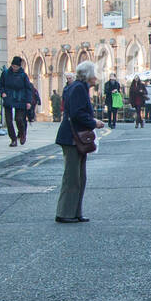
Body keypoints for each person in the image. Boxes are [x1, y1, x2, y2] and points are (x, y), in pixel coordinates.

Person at [55, 60, 105, 224]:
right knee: (72, 177)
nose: (96, 78)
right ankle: (65, 213)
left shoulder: (79, 87)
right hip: (72, 137)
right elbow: (77, 114)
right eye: (94, 74)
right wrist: (93, 123)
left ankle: (75, 212)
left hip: (74, 136)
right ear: (88, 75)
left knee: (80, 177)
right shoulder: (78, 88)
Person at [0, 56, 33, 146]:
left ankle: (22, 134)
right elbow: (1, 85)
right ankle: (13, 139)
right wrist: (2, 93)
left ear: (19, 66)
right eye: (13, 66)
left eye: (16, 67)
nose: (14, 68)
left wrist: (28, 101)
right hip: (9, 98)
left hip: (20, 99)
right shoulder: (5, 73)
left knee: (19, 119)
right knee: (9, 121)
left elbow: (28, 89)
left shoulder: (23, 75)